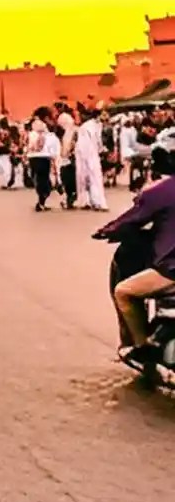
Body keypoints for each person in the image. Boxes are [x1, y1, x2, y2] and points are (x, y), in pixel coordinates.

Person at [95, 147, 175, 364]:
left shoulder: (161, 191)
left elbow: (132, 218)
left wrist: (106, 231)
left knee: (124, 292)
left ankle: (142, 348)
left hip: (171, 268)